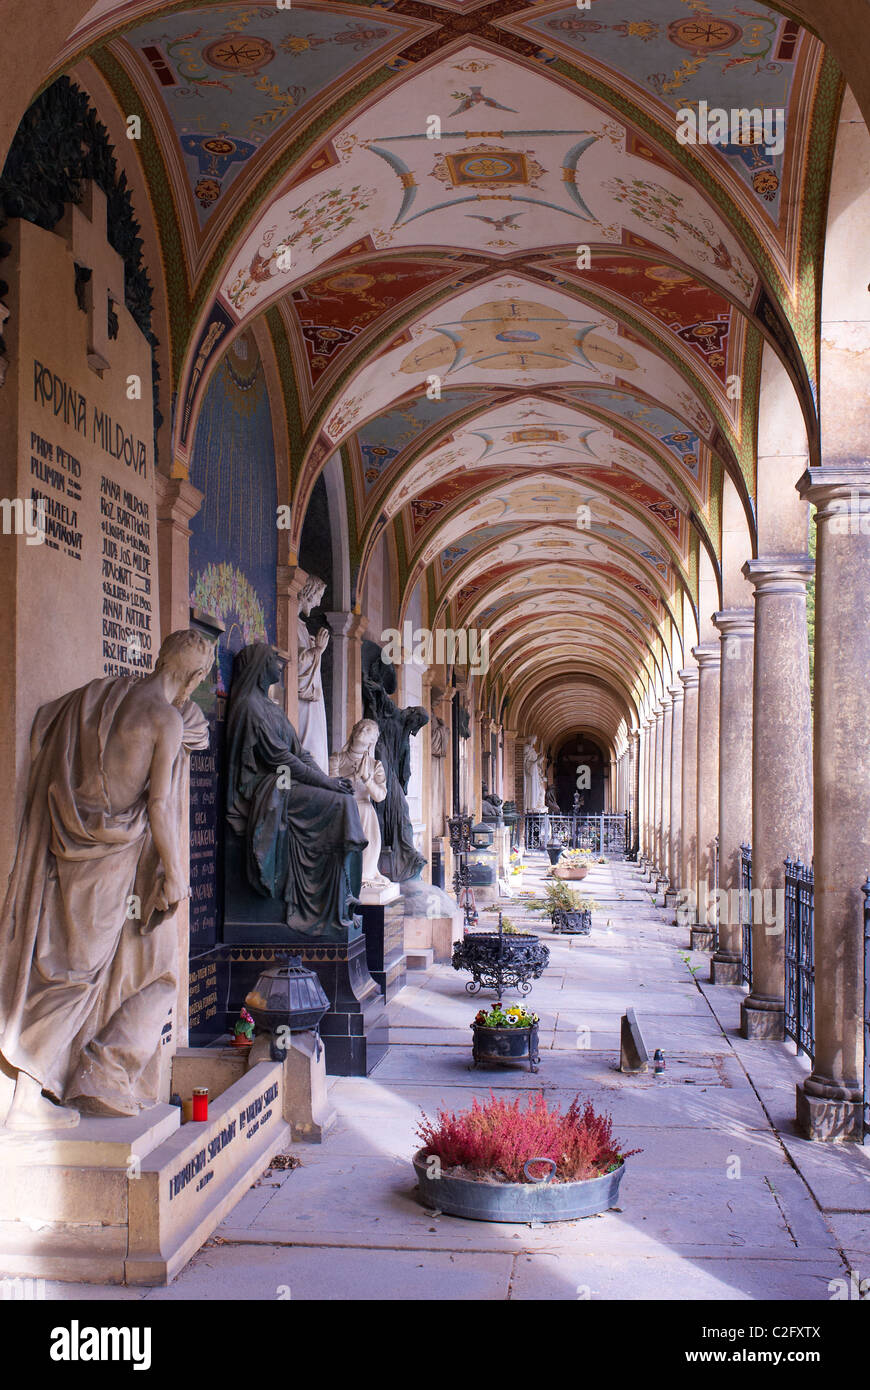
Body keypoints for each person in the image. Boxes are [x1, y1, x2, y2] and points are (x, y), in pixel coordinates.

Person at [0, 628, 215, 1130]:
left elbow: (48, 725)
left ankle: (82, 1077)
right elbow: (158, 804)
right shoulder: (163, 720)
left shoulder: (103, 694)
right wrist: (177, 876)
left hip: (73, 846)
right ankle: (27, 1102)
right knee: (77, 973)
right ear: (195, 676)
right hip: (112, 861)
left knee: (64, 964)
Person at [226, 642, 366, 936]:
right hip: (270, 788)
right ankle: (329, 901)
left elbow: (299, 753)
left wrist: (329, 781)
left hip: (286, 781)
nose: (279, 666)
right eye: (272, 661)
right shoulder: (251, 707)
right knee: (339, 805)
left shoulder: (269, 707)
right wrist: (326, 783)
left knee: (342, 799)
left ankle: (340, 893)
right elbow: (281, 760)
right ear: (259, 667)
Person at [330, 720, 390, 888]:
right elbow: (330, 786)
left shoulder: (375, 765)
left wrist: (367, 778)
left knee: (367, 857)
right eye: (361, 727)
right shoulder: (337, 759)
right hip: (343, 810)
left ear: (372, 740)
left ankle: (365, 876)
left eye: (368, 730)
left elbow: (380, 796)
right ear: (353, 730)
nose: (363, 729)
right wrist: (353, 777)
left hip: (365, 813)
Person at [296, 574, 329, 771]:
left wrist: (316, 649)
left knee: (316, 749)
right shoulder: (293, 624)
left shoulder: (302, 627)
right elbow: (296, 667)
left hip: (312, 702)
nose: (318, 603)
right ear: (308, 593)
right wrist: (317, 650)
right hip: (303, 703)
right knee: (310, 751)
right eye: (318, 596)